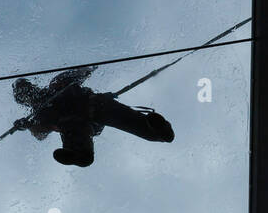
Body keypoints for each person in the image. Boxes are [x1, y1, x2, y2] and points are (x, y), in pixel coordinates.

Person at [11, 66, 174, 168]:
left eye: (27, 91)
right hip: (92, 116)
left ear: (32, 88)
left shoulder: (55, 86)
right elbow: (40, 133)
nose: (29, 95)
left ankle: (160, 131)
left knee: (147, 130)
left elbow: (80, 72)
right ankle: (80, 154)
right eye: (25, 95)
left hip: (94, 108)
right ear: (25, 101)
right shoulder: (40, 113)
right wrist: (27, 125)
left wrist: (88, 70)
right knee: (75, 136)